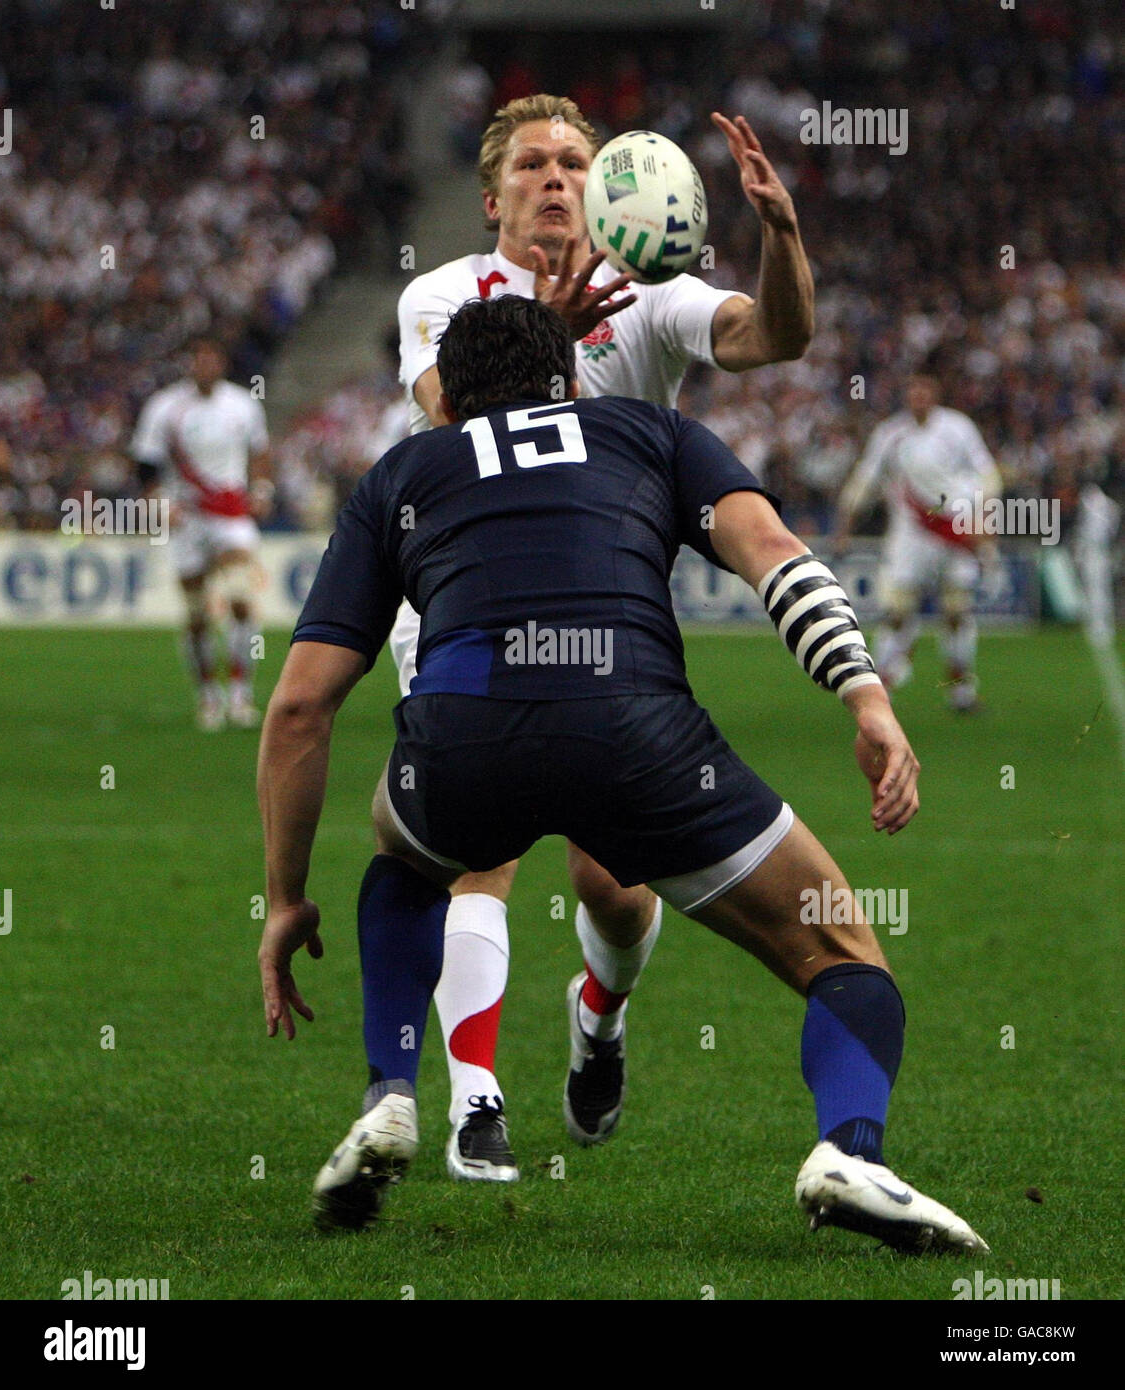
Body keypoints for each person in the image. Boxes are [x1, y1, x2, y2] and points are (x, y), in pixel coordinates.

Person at [256, 296, 988, 1255]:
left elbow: (303, 707)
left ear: (445, 402)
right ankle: (851, 1153)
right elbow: (774, 555)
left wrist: (284, 899)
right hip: (636, 736)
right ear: (568, 382)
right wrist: (865, 696)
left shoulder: (404, 469)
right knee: (843, 949)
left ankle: (392, 1091)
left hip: (464, 742)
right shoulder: (648, 429)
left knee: (407, 856)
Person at [391, 93, 815, 1180]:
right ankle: (475, 1099)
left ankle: (601, 1019)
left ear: (605, 181)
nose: (554, 177)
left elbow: (775, 337)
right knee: (476, 855)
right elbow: (449, 419)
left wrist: (782, 234)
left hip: (603, 620)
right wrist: (548, 343)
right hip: (464, 606)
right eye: (531, 163)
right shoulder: (441, 296)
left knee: (611, 884)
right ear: (493, 197)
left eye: (573, 161)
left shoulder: (654, 295)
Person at [832, 374, 1002, 712]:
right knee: (896, 613)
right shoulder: (890, 433)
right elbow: (865, 479)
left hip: (953, 531)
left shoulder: (958, 428)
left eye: (925, 389)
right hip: (908, 537)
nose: (919, 396)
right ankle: (880, 693)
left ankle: (961, 692)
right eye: (913, 390)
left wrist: (985, 516)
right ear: (907, 395)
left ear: (935, 393)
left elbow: (987, 474)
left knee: (956, 612)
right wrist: (844, 526)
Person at [131, 337, 273, 730]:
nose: (205, 365)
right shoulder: (165, 407)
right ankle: (209, 695)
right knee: (196, 613)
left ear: (221, 362)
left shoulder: (243, 403)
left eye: (212, 358)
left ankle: (241, 693)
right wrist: (160, 504)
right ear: (189, 363)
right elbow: (146, 464)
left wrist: (262, 490)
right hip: (188, 518)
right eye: (199, 359)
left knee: (241, 597)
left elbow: (259, 452)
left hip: (231, 513)